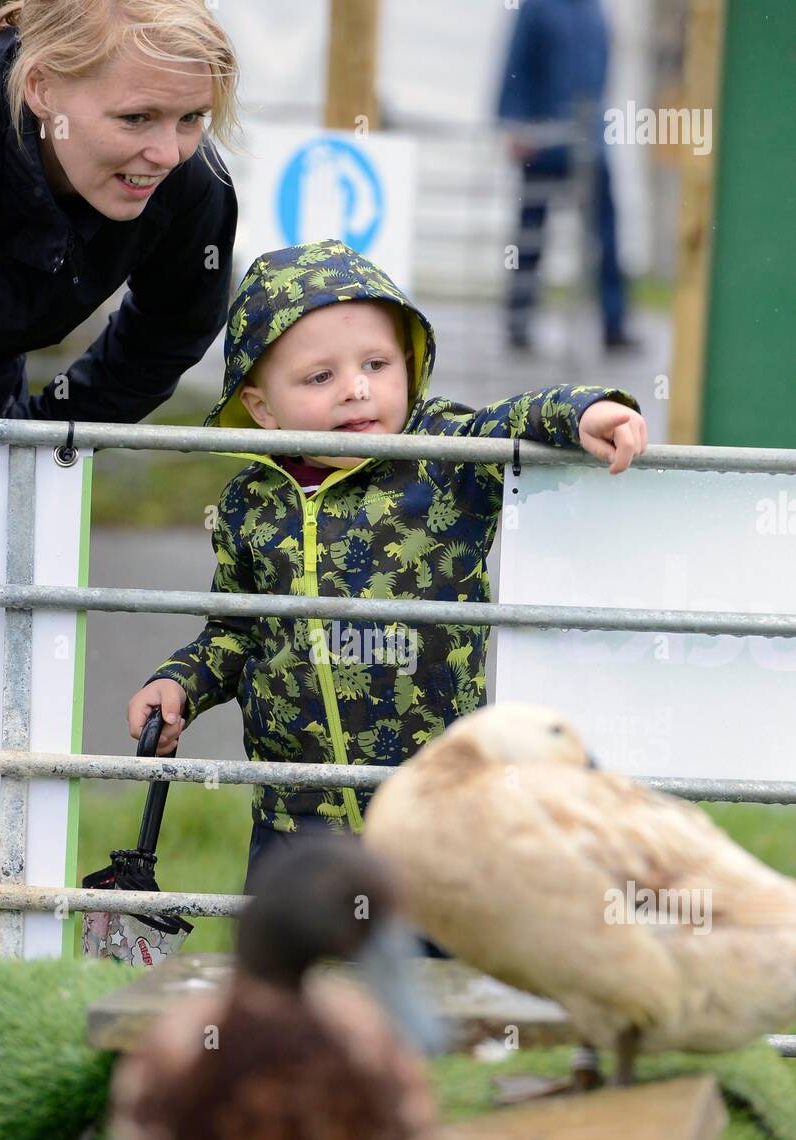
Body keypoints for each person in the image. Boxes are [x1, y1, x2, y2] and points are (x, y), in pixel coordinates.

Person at [126, 238, 647, 893]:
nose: (356, 389)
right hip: (295, 818)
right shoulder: (249, 503)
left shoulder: (442, 457)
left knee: (440, 975)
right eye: (320, 377)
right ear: (261, 406)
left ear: (407, 364)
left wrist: (583, 411)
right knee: (300, 982)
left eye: (376, 363)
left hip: (436, 811)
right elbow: (236, 628)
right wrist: (180, 684)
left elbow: (510, 418)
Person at [0, 0, 239, 419]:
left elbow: (171, 330)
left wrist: (49, 440)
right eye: (135, 118)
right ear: (41, 88)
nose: (168, 154)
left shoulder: (190, 180)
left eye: (191, 117)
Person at [495, 0, 637, 352]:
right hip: (542, 140)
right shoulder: (537, 7)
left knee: (606, 235)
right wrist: (514, 124)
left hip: (589, 142)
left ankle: (614, 324)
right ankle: (519, 321)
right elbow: (516, 62)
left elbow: (600, 71)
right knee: (530, 237)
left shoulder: (595, 10)